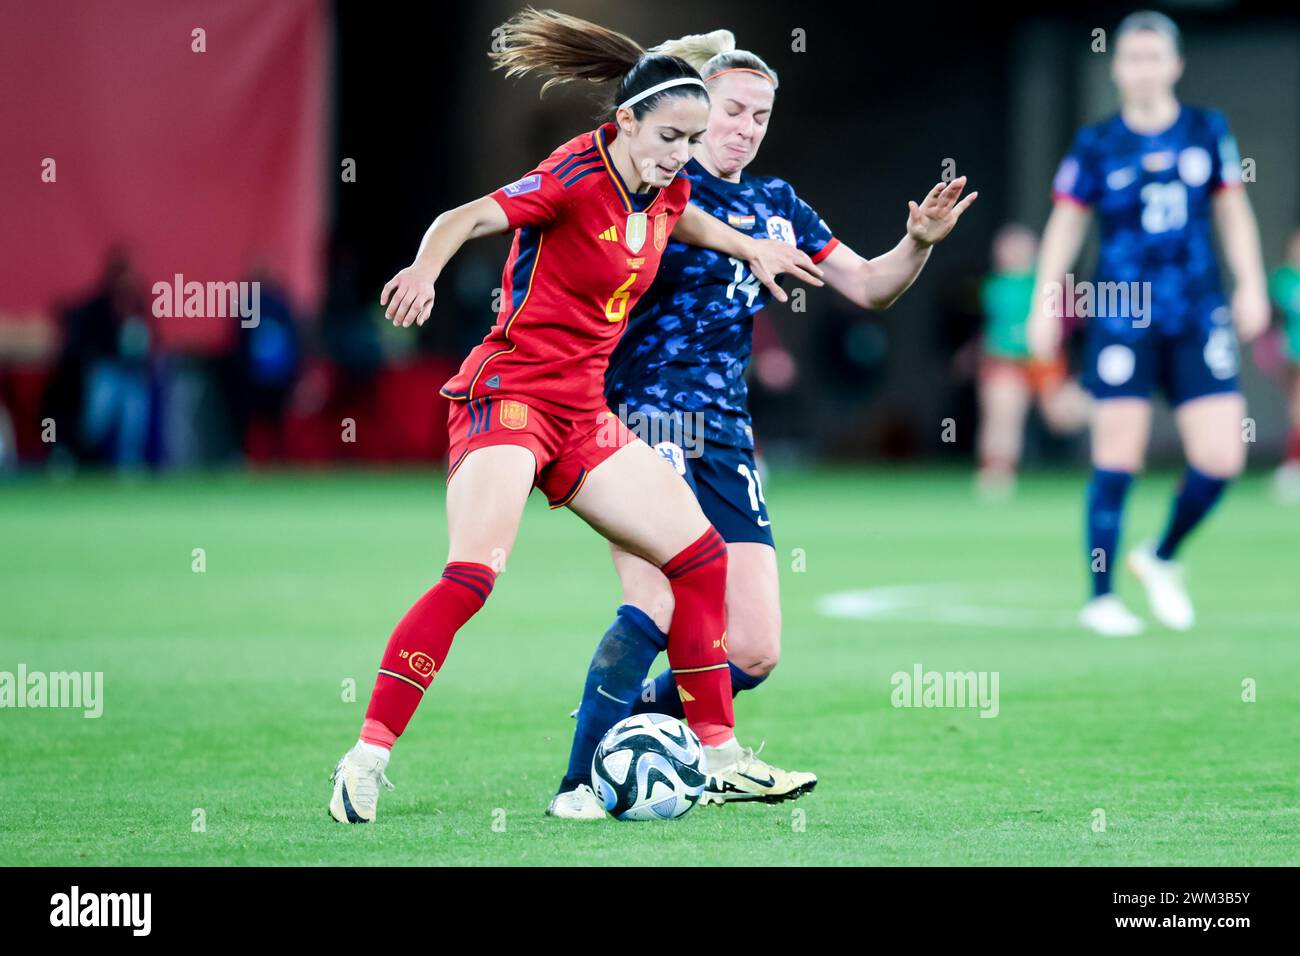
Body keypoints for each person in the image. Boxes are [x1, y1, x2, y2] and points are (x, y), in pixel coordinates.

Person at [327, 9, 825, 824]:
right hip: (510, 398)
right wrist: (423, 268)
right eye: (667, 139)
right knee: (472, 577)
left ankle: (719, 752)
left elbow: (682, 216)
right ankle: (368, 757)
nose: (676, 159)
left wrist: (751, 247)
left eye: (688, 142)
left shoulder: (664, 188)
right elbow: (469, 217)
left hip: (584, 414)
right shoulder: (573, 177)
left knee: (699, 560)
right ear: (625, 121)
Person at [548, 29, 977, 818]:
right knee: (660, 602)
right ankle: (579, 786)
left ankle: (630, 728)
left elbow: (873, 285)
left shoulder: (778, 205)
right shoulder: (654, 185)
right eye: (733, 110)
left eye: (761, 116)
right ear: (697, 111)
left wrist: (915, 244)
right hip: (636, 418)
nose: (746, 127)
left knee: (753, 648)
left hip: (725, 434)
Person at [1027, 11, 1269, 637]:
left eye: (1154, 57)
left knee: (1221, 458)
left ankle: (1160, 557)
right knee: (1117, 457)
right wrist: (1045, 302)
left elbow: (1233, 211)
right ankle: (1101, 597)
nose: (1142, 68)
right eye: (1131, 58)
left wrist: (1252, 284)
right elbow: (1067, 224)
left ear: (1175, 64)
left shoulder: (1205, 129)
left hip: (1196, 310)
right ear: (1117, 68)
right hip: (1120, 313)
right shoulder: (1097, 142)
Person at [976, 223, 1088, 500]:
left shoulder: (1048, 285)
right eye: (1006, 248)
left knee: (1061, 417)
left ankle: (1108, 410)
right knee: (1002, 415)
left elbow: (1075, 323)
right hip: (1004, 361)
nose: (1011, 254)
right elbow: (990, 328)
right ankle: (996, 474)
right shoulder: (992, 287)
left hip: (1044, 360)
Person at [1268, 228, 1300, 500]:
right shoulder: (1284, 279)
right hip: (1294, 353)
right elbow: (1272, 319)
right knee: (1297, 409)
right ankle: (1293, 466)